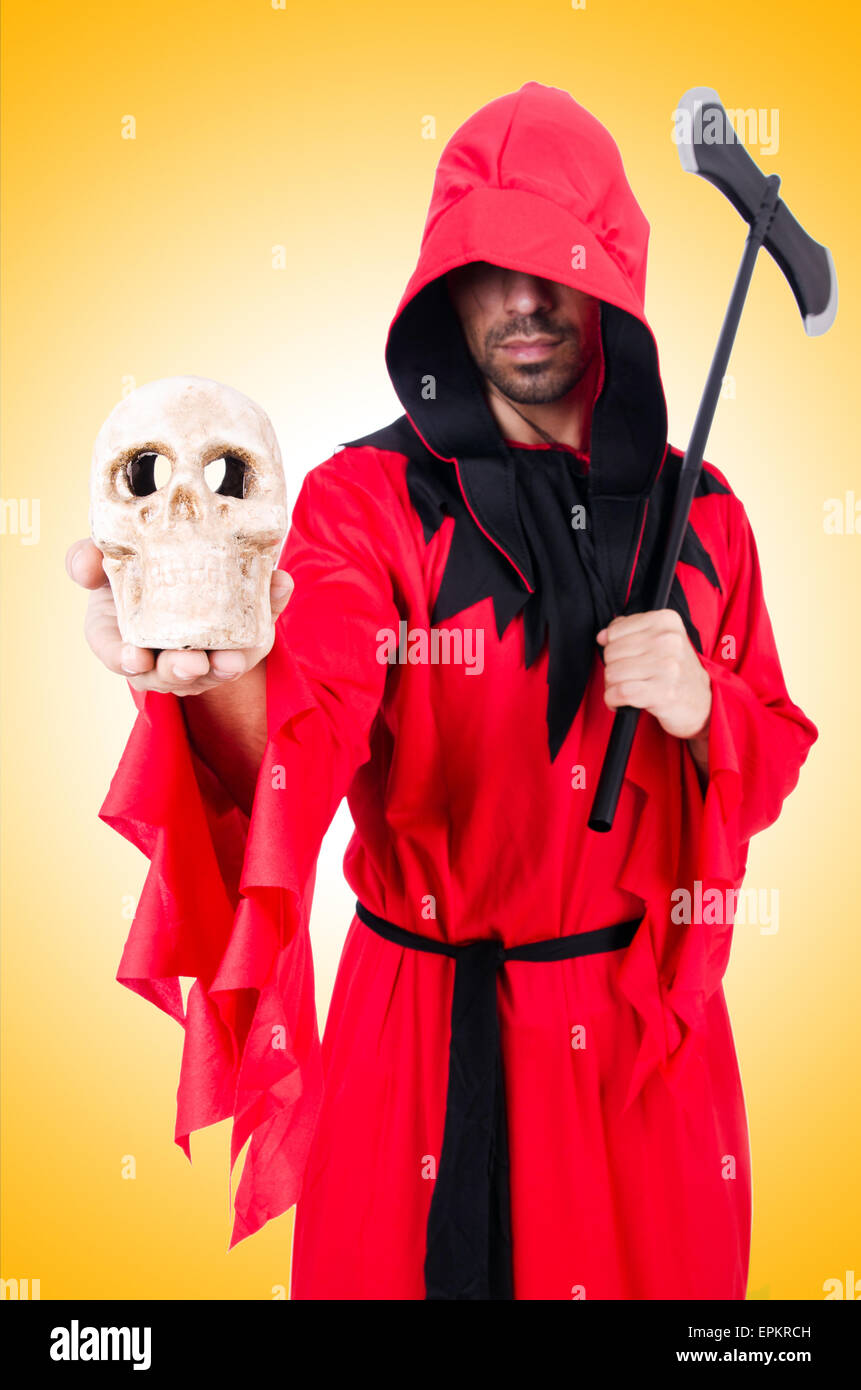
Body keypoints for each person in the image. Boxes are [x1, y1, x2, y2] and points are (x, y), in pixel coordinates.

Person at [67, 82, 817, 1300]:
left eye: (556, 269)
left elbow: (772, 752)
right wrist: (206, 672)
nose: (525, 303)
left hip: (640, 1045)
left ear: (611, 284)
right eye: (492, 269)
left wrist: (699, 705)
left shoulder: (708, 512)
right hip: (418, 1028)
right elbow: (312, 706)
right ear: (443, 291)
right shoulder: (366, 502)